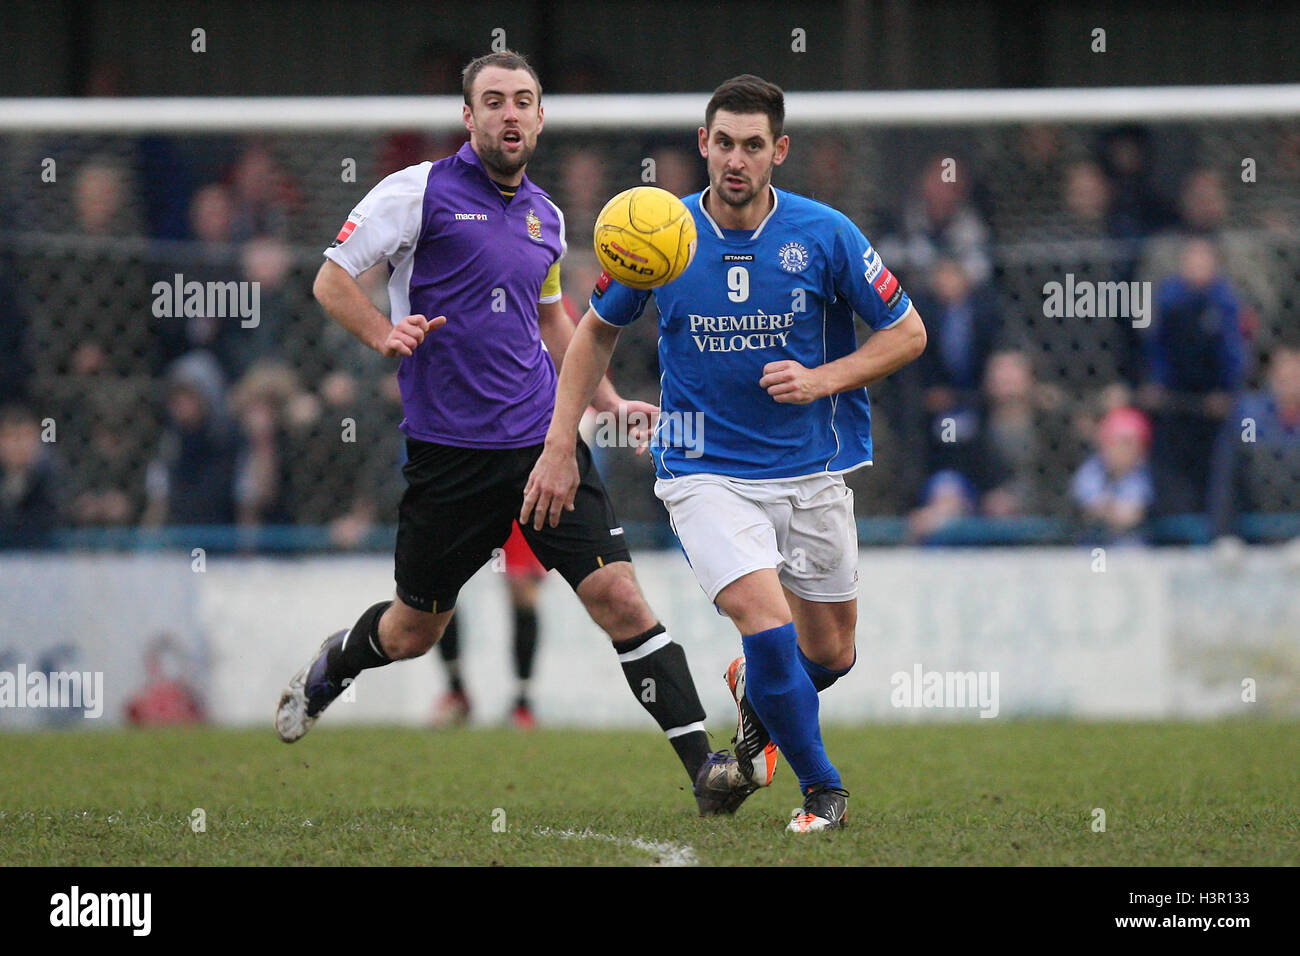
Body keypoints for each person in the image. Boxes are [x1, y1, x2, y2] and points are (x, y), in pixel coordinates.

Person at [275, 50, 755, 816]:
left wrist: (606, 400)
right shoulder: (419, 192)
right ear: (468, 118)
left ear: (539, 118)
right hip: (449, 459)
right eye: (493, 101)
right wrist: (381, 335)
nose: (509, 113)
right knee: (412, 632)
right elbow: (332, 277)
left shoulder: (547, 215)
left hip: (545, 445)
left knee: (621, 599)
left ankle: (706, 772)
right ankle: (334, 666)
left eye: (523, 100)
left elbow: (552, 321)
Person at [523, 75, 927, 832]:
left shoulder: (826, 234)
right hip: (703, 469)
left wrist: (822, 379)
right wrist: (561, 444)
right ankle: (824, 792)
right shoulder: (659, 234)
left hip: (812, 470)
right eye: (722, 143)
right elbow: (592, 334)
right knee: (769, 629)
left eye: (752, 146)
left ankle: (759, 695)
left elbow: (909, 332)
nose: (734, 160)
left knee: (831, 655)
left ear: (778, 151)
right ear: (702, 145)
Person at [430, 522, 546, 729]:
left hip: (513, 498)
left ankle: (522, 702)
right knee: (439, 583)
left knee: (522, 589)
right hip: (462, 498)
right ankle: (456, 691)